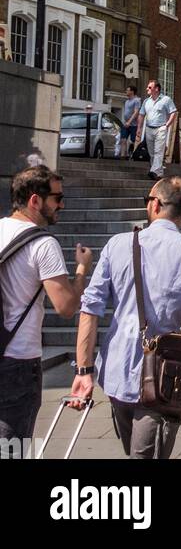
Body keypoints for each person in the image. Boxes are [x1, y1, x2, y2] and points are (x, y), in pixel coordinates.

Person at [69, 176, 181, 459]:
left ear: (154, 204)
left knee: (135, 452)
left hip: (117, 369)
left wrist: (84, 370)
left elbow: (90, 308)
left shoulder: (117, 245)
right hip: (164, 373)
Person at [0, 167, 93, 450]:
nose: (61, 205)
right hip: (18, 360)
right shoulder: (42, 243)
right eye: (57, 198)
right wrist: (82, 268)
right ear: (35, 201)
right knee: (10, 448)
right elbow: (66, 306)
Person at [134, 79, 177, 181]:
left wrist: (167, 125)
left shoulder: (166, 99)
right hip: (149, 128)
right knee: (152, 152)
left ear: (156, 89)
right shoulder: (146, 101)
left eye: (149, 87)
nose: (147, 89)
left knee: (159, 151)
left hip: (161, 128)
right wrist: (139, 128)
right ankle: (158, 173)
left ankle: (153, 171)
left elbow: (173, 112)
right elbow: (141, 115)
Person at [118, 85, 141, 160]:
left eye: (127, 90)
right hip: (126, 123)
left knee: (134, 141)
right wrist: (126, 122)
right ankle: (122, 156)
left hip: (134, 125)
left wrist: (129, 122)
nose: (126, 91)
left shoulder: (136, 100)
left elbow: (136, 112)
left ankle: (135, 155)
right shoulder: (126, 101)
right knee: (123, 139)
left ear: (132, 91)